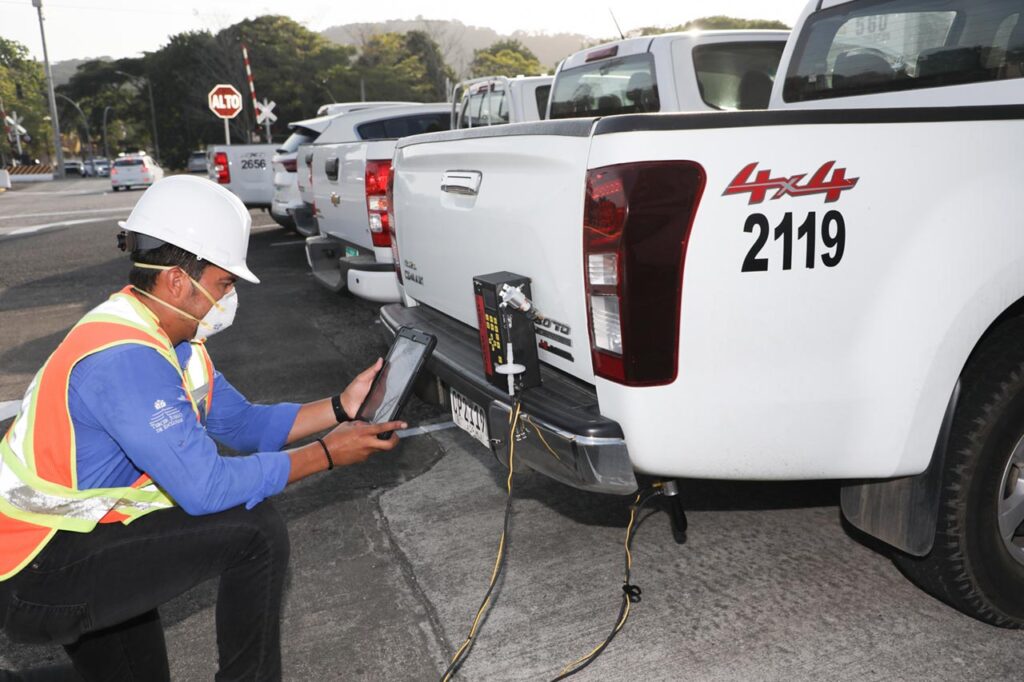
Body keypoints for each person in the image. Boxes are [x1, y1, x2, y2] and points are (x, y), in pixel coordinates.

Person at [0, 175, 405, 681]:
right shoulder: (126, 359)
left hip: (84, 539)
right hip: (38, 569)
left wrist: (341, 408)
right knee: (255, 531)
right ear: (177, 280)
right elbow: (206, 489)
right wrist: (325, 454)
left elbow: (244, 425)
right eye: (225, 283)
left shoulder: (176, 343)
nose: (229, 298)